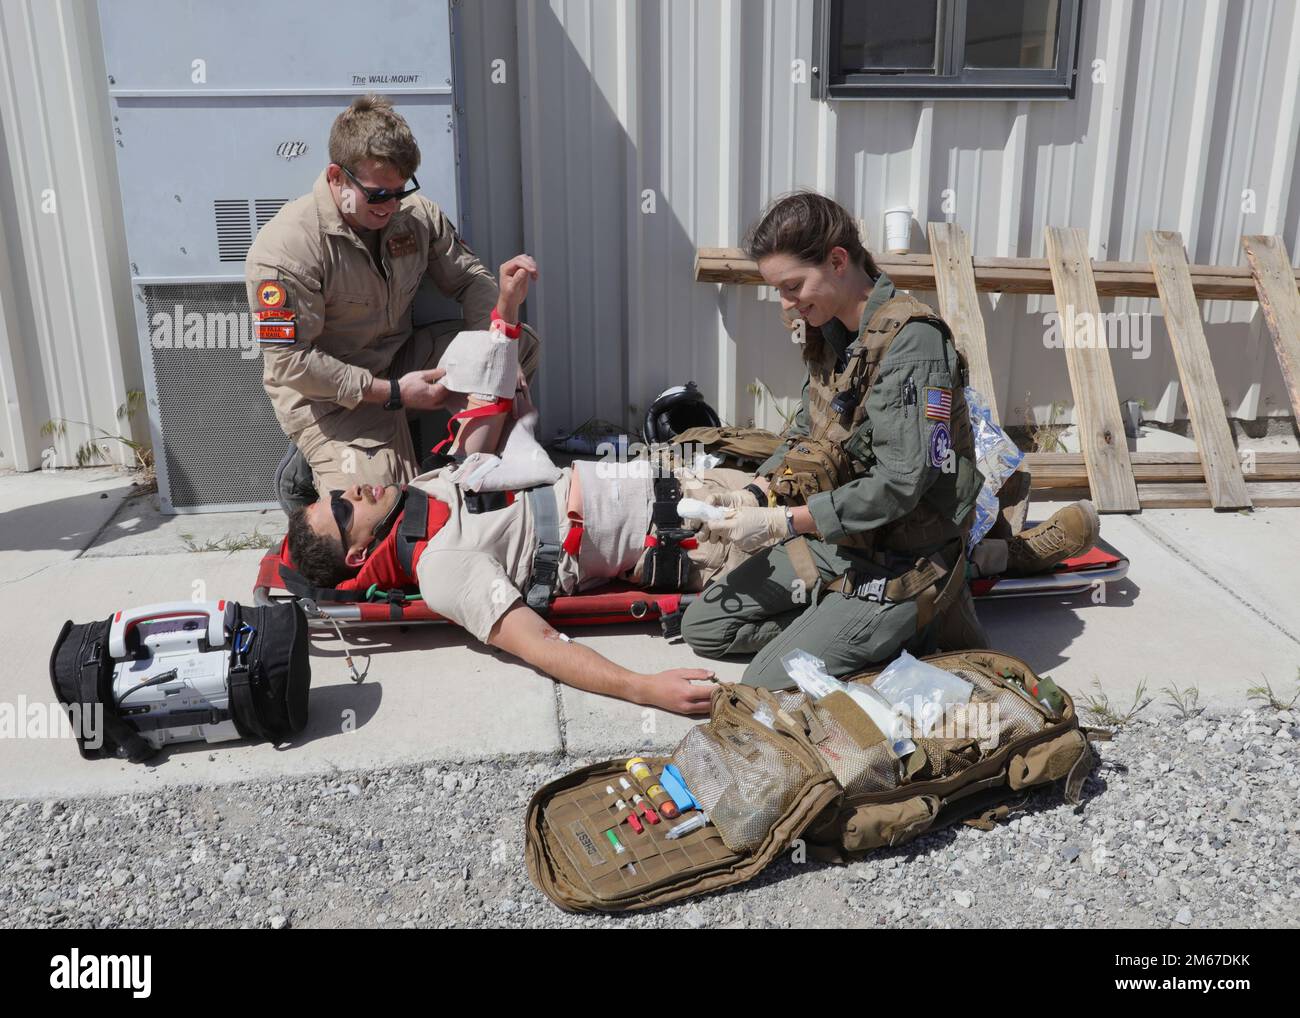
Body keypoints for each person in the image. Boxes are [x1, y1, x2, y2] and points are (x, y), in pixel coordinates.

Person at [680, 191, 1099, 689]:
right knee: (704, 628)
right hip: (840, 544)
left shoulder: (913, 345)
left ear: (837, 261)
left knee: (766, 682)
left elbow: (901, 484)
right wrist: (753, 492)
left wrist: (781, 521)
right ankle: (844, 629)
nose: (787, 304)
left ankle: (919, 624)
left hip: (902, 564)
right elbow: (804, 431)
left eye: (793, 286)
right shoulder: (832, 335)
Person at [284, 443, 758, 716]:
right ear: (358, 552)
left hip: (680, 480)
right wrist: (645, 688)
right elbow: (543, 644)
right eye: (345, 509)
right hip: (702, 538)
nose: (355, 490)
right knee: (820, 544)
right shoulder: (443, 568)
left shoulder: (419, 491)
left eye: (337, 494)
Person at [244, 93, 541, 507]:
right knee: (389, 511)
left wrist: (492, 355)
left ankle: (477, 469)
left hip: (400, 361)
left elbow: (471, 280)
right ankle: (312, 464)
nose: (392, 205)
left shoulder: (415, 216)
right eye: (378, 194)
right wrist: (393, 393)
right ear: (336, 177)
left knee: (515, 346)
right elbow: (290, 363)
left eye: (400, 190)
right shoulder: (286, 249)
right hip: (330, 396)